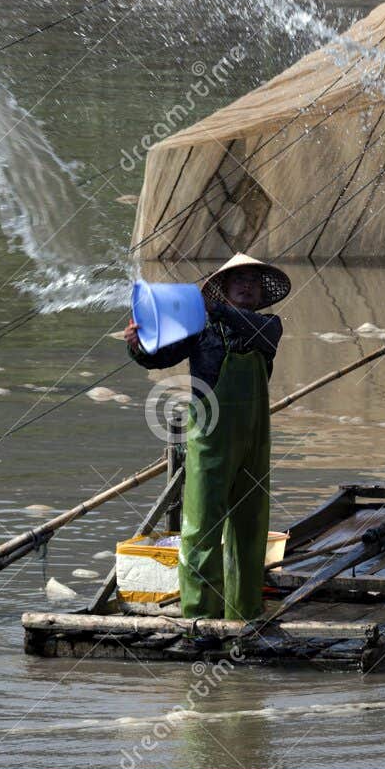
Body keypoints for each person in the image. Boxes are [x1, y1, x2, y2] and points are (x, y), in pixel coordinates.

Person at [123, 253, 291, 622]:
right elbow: (160, 357)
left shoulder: (267, 326)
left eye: (253, 280)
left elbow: (255, 331)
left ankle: (244, 613)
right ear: (225, 288)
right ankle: (200, 618)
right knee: (201, 528)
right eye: (239, 280)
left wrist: (214, 308)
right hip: (210, 441)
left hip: (254, 443)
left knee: (250, 528)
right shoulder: (201, 330)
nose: (247, 285)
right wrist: (138, 345)